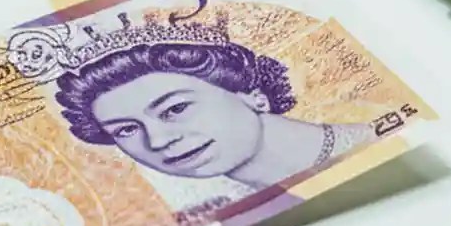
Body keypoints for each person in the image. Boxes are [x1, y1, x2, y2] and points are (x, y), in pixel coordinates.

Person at [54, 40, 375, 189]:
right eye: (124, 130)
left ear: (252, 95)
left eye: (176, 109)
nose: (158, 140)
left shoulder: (376, 143)